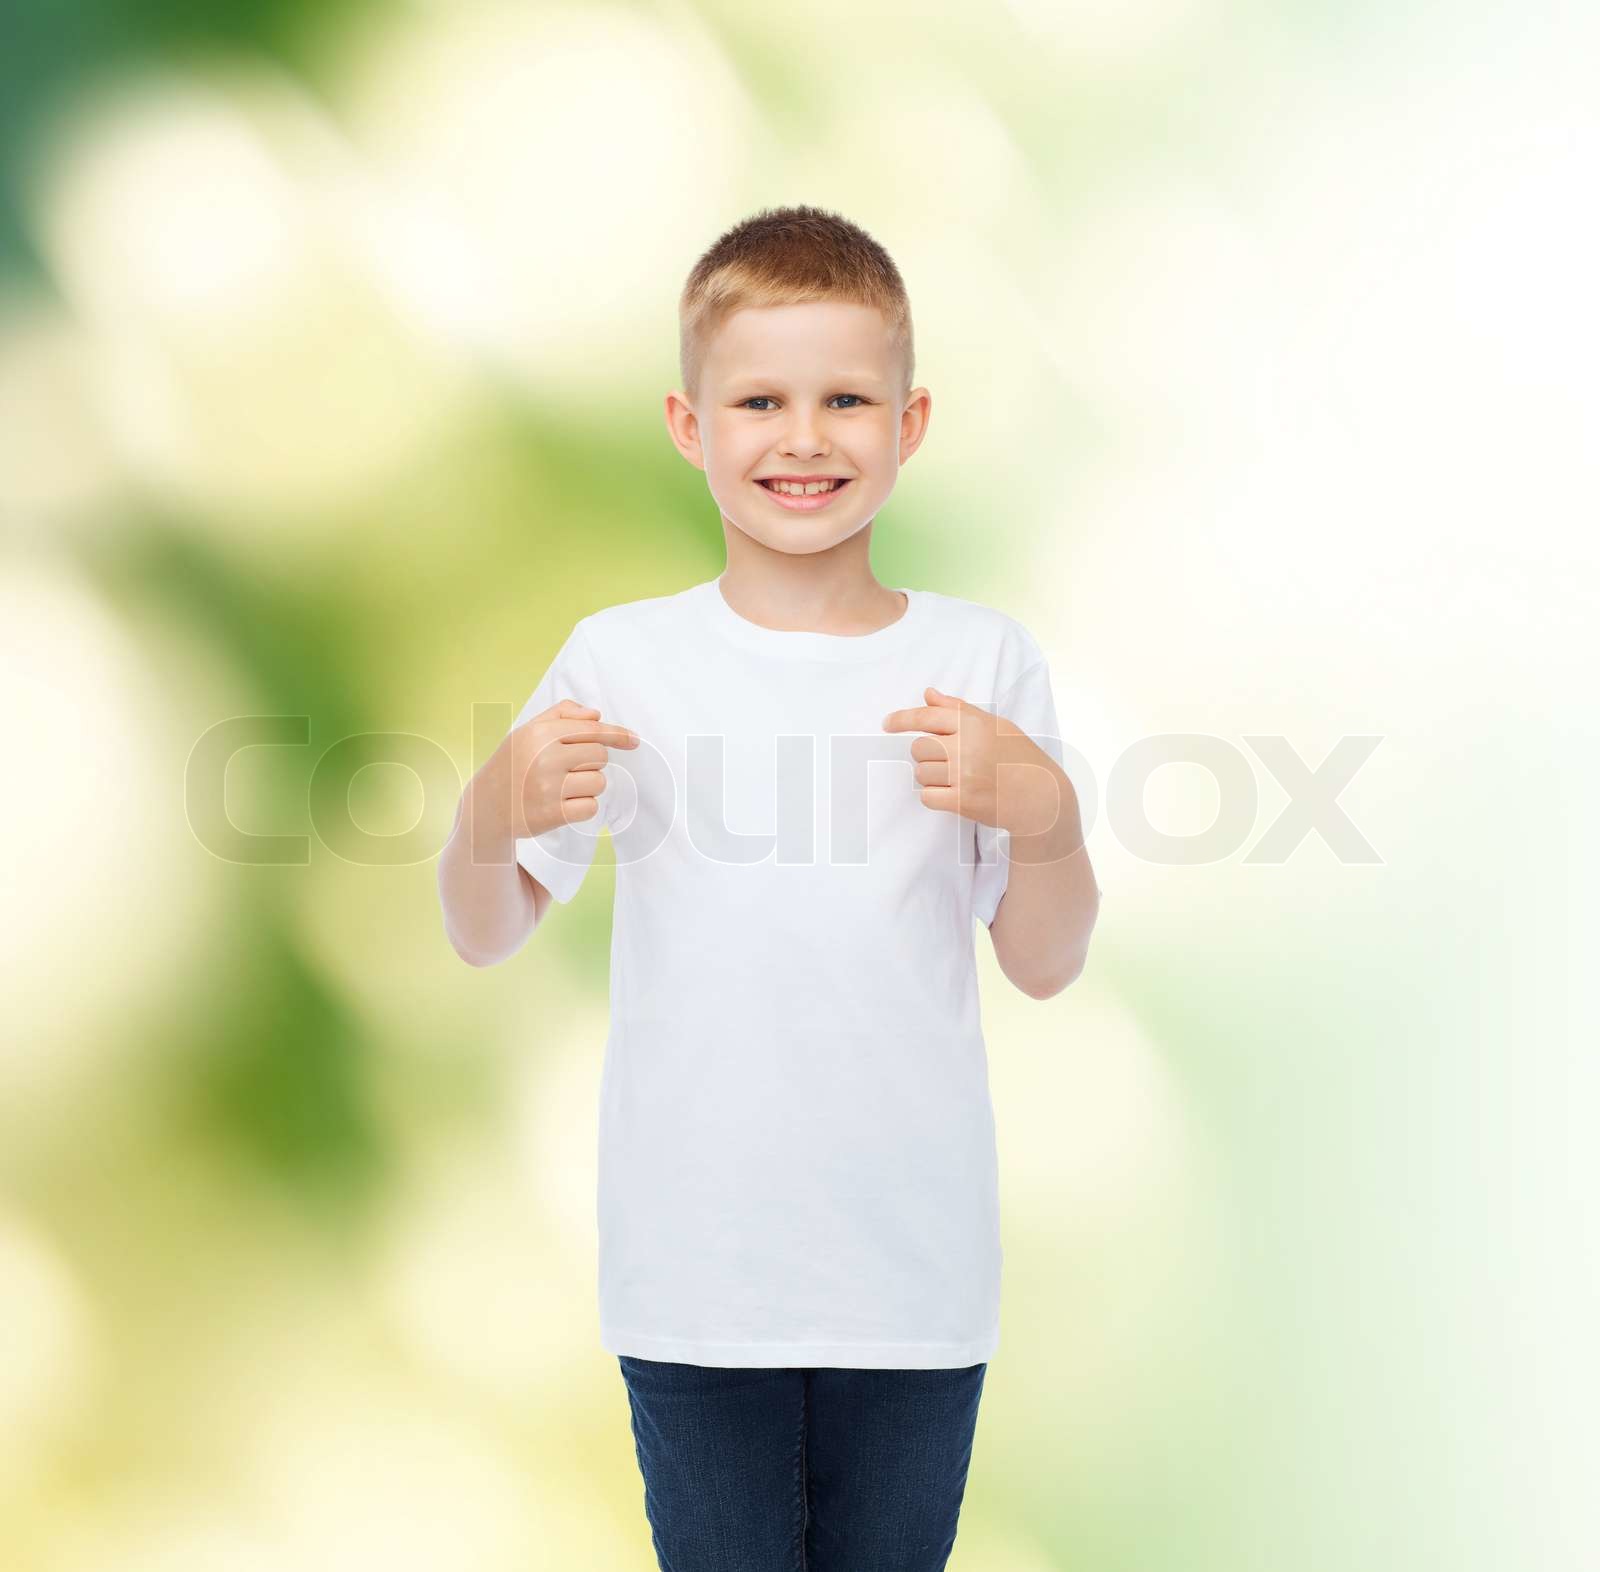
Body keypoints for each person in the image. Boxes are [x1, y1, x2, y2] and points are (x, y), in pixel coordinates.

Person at [437, 204, 1102, 1571]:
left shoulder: (985, 663)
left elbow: (1044, 962)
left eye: (846, 398)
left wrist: (1047, 817)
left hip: (913, 1280)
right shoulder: (622, 662)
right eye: (761, 400)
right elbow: (486, 928)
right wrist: (485, 810)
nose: (804, 437)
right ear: (691, 426)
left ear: (910, 425)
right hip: (697, 1276)